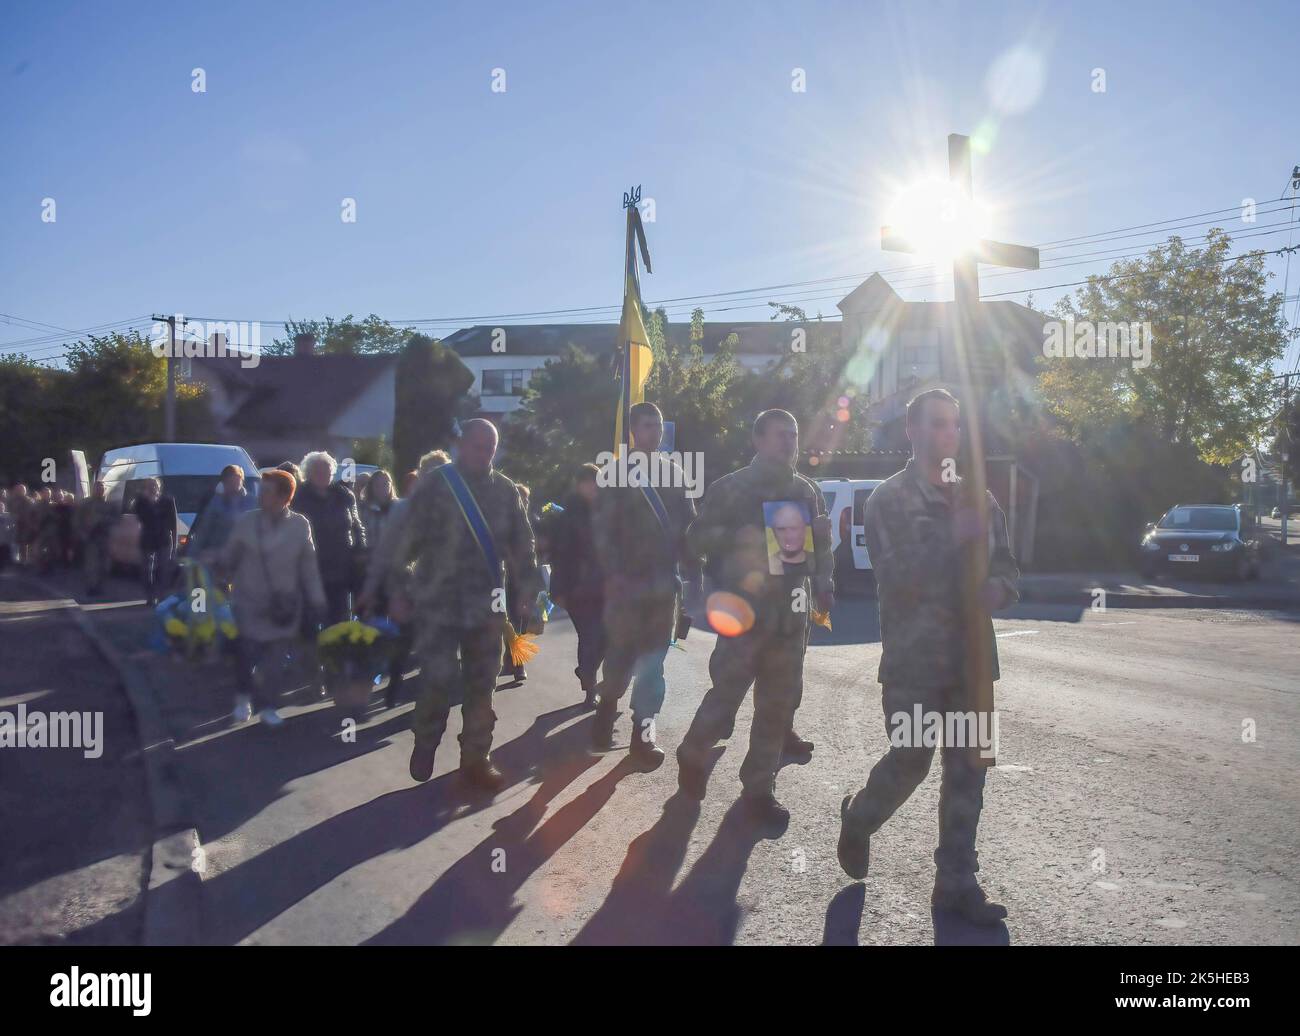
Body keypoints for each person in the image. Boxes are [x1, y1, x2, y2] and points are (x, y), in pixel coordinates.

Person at [836, 388, 1019, 925]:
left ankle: (956, 881)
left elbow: (1007, 564)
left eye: (956, 425)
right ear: (911, 431)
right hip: (916, 660)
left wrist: (1001, 589)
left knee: (968, 772)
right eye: (938, 424)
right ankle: (859, 820)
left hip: (973, 661)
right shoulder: (887, 500)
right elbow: (902, 575)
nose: (949, 435)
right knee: (910, 761)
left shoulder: (981, 499)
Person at [675, 409, 834, 828]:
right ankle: (693, 751)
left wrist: (825, 579)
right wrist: (740, 539)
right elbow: (695, 541)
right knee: (725, 696)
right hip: (743, 615)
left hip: (790, 618)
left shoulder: (806, 490)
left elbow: (819, 542)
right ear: (757, 440)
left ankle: (759, 790)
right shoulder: (730, 488)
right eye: (781, 435)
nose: (789, 443)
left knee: (776, 707)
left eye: (794, 435)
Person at [388, 420, 540, 791]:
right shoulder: (437, 485)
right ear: (461, 445)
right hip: (438, 603)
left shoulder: (506, 492)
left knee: (481, 687)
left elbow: (524, 545)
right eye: (477, 445)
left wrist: (527, 591)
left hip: (488, 604)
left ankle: (476, 760)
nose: (483, 452)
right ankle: (426, 739)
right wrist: (397, 589)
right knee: (438, 681)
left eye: (490, 447)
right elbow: (406, 541)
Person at [590, 402, 697, 768]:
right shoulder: (616, 473)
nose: (656, 433)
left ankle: (643, 736)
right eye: (648, 426)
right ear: (633, 429)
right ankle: (606, 711)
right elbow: (601, 533)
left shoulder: (675, 474)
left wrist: (697, 562)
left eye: (659, 426)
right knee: (619, 660)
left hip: (662, 588)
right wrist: (611, 574)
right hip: (625, 587)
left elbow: (689, 529)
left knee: (654, 666)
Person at [218, 469, 327, 728]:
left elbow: (308, 566)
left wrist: (317, 599)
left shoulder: (300, 525)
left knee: (275, 659)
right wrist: (220, 568)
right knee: (247, 651)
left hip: (283, 605)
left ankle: (268, 707)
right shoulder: (247, 521)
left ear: (283, 496)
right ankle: (243, 698)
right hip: (249, 600)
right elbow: (230, 555)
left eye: (266, 491)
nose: (260, 495)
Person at [547, 463, 606, 707]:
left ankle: (586, 670)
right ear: (580, 485)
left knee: (606, 638)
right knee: (590, 636)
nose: (594, 487)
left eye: (597, 482)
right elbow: (558, 555)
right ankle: (590, 691)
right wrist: (558, 591)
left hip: (605, 587)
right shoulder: (567, 516)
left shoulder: (607, 512)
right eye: (589, 482)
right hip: (576, 590)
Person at [293, 451, 366, 626]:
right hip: (311, 568)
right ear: (308, 473)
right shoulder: (298, 497)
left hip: (340, 568)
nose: (322, 474)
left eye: (327, 470)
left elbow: (357, 526)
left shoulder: (345, 495)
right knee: (309, 623)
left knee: (339, 622)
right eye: (317, 471)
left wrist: (361, 550)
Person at [188, 465, 257, 563]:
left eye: (237, 481)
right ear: (224, 482)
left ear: (241, 480)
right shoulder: (216, 503)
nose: (234, 485)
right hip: (219, 556)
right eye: (230, 482)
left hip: (244, 558)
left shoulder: (252, 502)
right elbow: (203, 529)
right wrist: (193, 555)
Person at [131, 478, 178, 606]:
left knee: (163, 569)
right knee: (146, 570)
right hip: (148, 539)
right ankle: (150, 596)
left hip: (163, 539)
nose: (153, 488)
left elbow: (173, 523)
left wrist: (175, 544)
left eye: (155, 485)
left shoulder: (168, 500)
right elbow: (139, 515)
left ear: (159, 487)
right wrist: (146, 500)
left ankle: (162, 596)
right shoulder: (141, 501)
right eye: (149, 486)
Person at [75, 481, 117, 596]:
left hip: (104, 537)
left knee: (105, 565)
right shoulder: (86, 503)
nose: (100, 490)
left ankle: (100, 586)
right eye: (98, 488)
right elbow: (77, 520)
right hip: (91, 537)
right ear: (94, 489)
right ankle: (91, 587)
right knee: (91, 564)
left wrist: (105, 520)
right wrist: (82, 533)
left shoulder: (109, 505)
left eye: (102, 488)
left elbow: (116, 520)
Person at [0, 498, 14, 571]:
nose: (1, 508)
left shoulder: (8, 515)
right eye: (0, 506)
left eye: (2, 506)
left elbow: (12, 526)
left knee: (4, 553)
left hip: (5, 539)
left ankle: (3, 566)